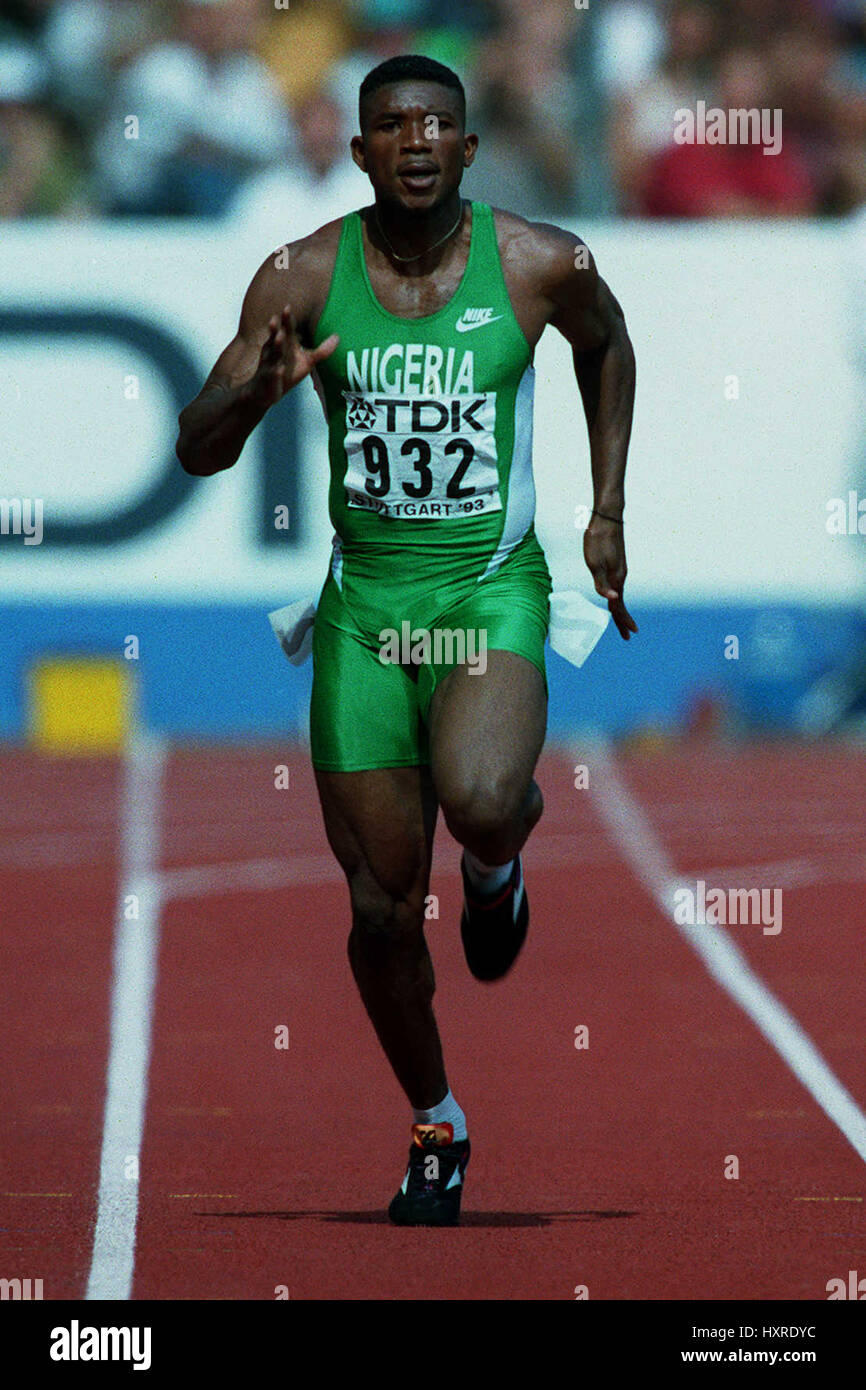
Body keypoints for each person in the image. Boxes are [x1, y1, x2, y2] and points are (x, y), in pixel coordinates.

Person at [176, 54, 636, 1226]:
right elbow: (198, 448)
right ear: (360, 151)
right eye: (393, 125)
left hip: (486, 588)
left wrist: (604, 508)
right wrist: (251, 391)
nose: (417, 141)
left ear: (470, 149)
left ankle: (497, 863)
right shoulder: (298, 277)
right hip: (364, 607)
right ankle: (436, 1119)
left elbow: (607, 344)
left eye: (439, 124)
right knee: (380, 911)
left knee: (481, 795)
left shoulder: (538, 262)